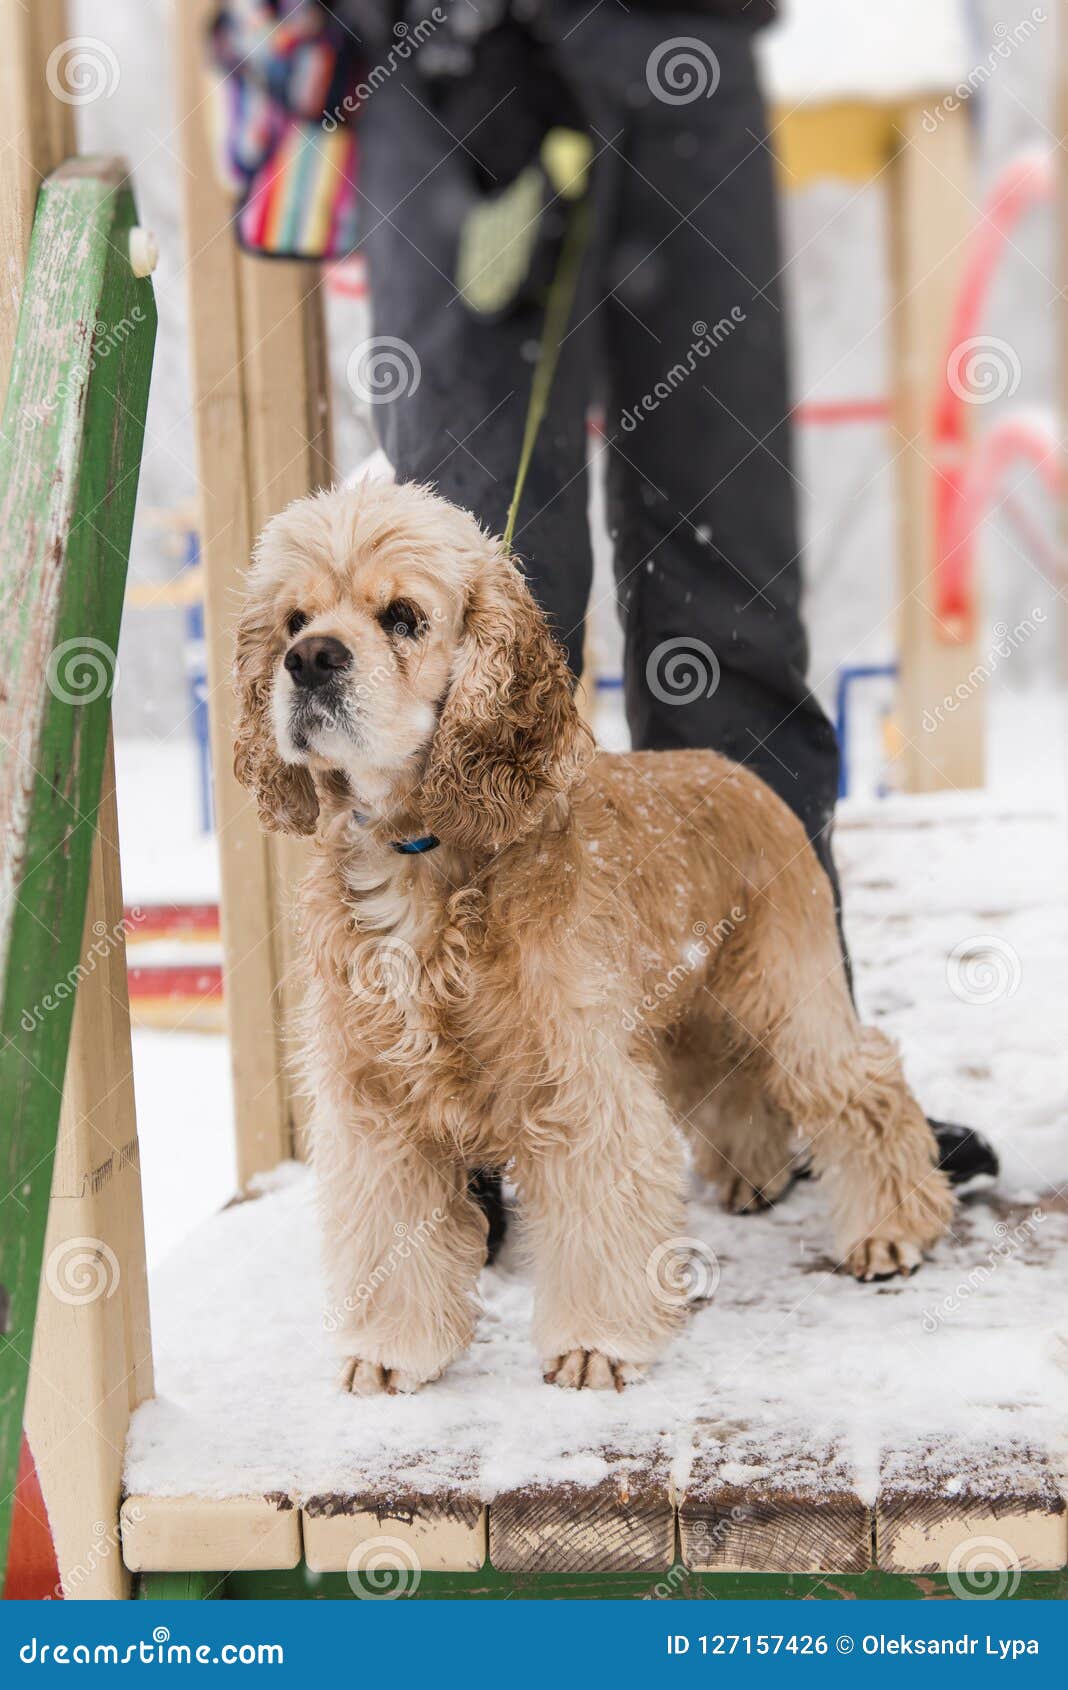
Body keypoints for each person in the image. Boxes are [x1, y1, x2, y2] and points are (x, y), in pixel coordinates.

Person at [316, 0, 999, 1207]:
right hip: (452, 66)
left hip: (686, 49)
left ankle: (798, 1063)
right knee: (473, 607)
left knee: (731, 585)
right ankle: (465, 1108)